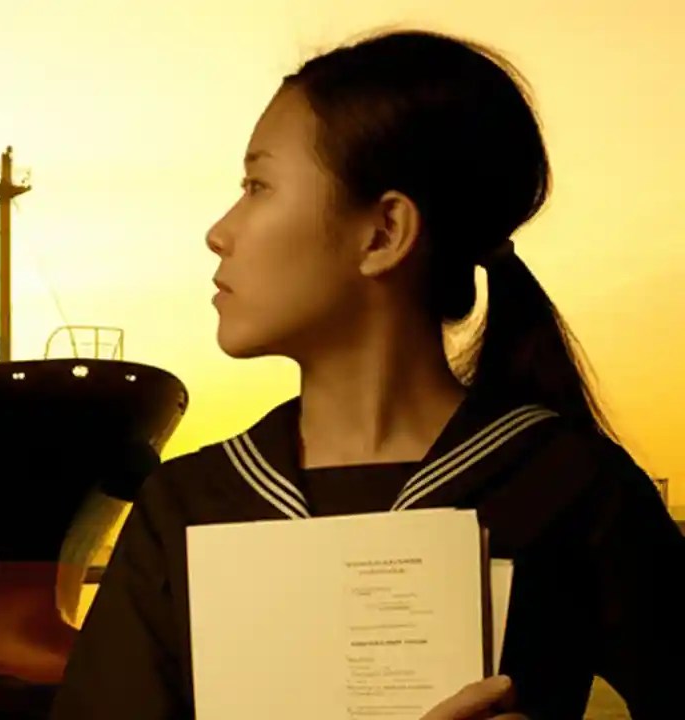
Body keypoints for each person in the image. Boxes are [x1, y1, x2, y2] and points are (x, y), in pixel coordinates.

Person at [48, 28, 684, 719]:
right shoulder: (186, 506)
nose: (220, 231)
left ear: (383, 234)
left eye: (258, 185)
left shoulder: (569, 485)